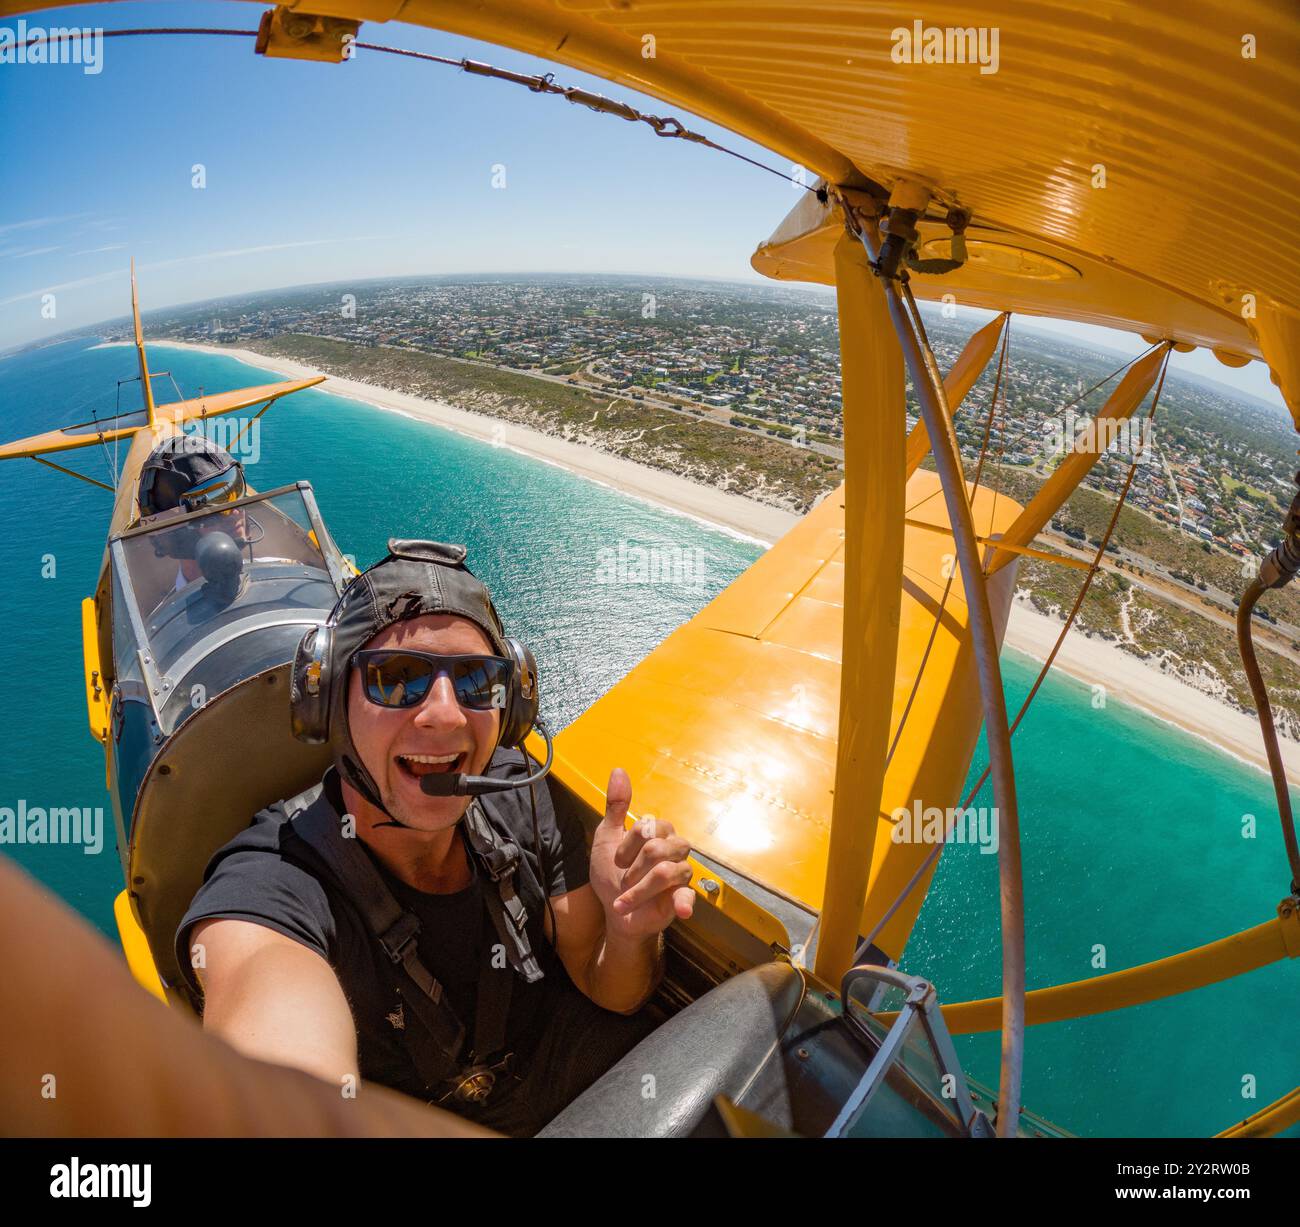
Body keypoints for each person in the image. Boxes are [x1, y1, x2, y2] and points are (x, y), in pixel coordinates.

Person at [175, 539, 695, 1136]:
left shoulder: (521, 794)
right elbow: (277, 1063)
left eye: (476, 681)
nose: (445, 715)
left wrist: (629, 931)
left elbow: (613, 991)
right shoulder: (274, 884)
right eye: (398, 679)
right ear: (328, 703)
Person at [137, 434, 251, 592]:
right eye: (212, 508)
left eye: (237, 489)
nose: (236, 512)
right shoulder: (163, 613)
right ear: (175, 531)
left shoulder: (286, 569)